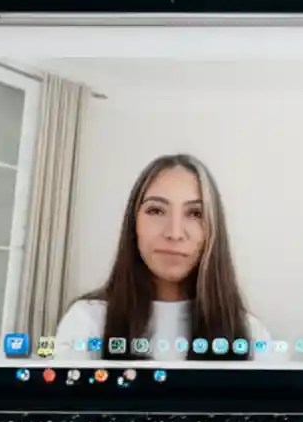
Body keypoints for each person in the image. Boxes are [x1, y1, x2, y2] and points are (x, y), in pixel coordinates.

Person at [55, 153, 274, 361]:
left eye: (195, 214)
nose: (174, 233)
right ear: (133, 224)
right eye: (156, 211)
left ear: (213, 230)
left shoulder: (251, 334)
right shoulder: (87, 323)